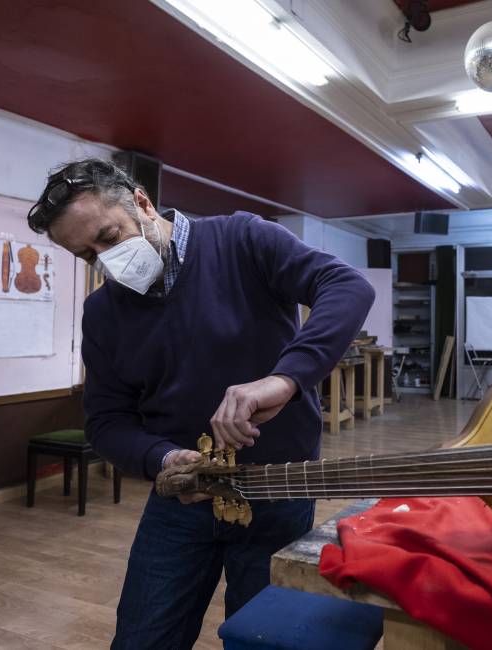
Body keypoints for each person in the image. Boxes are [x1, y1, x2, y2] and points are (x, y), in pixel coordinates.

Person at [26, 158, 375, 649]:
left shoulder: (242, 239)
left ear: (142, 203)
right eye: (87, 255)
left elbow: (346, 285)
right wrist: (164, 459)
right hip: (182, 501)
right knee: (143, 639)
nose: (105, 259)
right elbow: (106, 421)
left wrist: (285, 378)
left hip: (278, 488)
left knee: (261, 639)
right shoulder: (103, 311)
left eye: (109, 236)